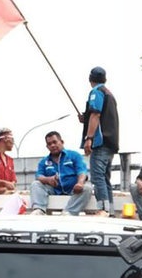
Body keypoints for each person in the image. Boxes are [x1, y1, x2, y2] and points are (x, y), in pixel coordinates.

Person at [80, 66, 119, 214]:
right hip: (111, 142)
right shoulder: (109, 94)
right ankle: (110, 211)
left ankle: (102, 209)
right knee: (105, 178)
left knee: (97, 177)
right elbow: (98, 116)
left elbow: (96, 114)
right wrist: (86, 118)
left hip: (101, 142)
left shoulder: (96, 92)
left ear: (90, 79)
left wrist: (89, 138)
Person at [29, 131, 93, 215]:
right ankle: (39, 210)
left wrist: (80, 183)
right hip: (54, 190)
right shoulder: (44, 161)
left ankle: (68, 212)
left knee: (87, 188)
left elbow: (82, 171)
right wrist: (48, 179)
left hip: (73, 189)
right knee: (35, 184)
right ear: (47, 146)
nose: (52, 145)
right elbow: (38, 176)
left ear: (62, 142)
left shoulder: (74, 155)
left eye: (55, 142)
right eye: (49, 144)